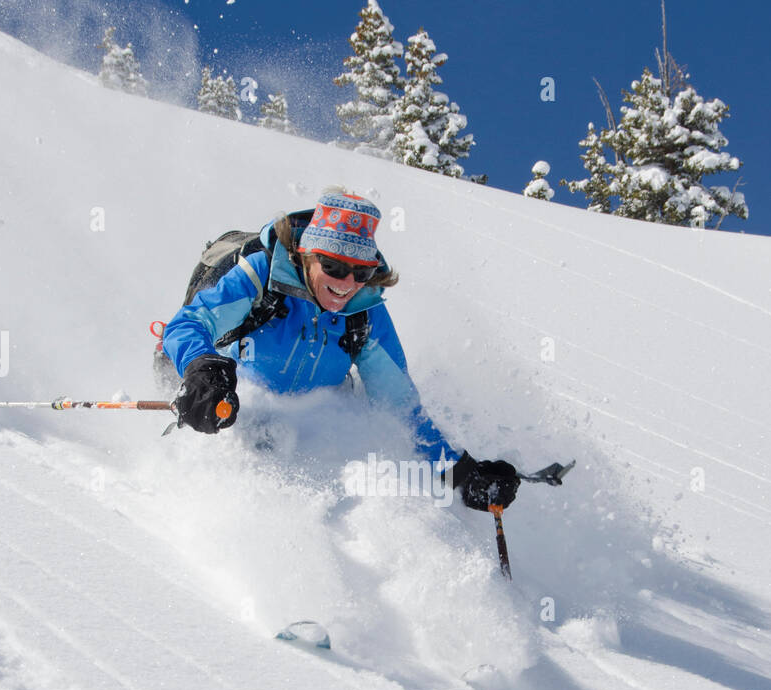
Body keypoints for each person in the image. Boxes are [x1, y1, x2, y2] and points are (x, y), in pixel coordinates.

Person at [162, 190, 520, 511]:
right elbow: (188, 324)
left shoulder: (365, 315)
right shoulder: (260, 276)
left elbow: (401, 410)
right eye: (332, 267)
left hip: (307, 444)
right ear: (305, 254)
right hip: (227, 411)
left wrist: (463, 475)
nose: (345, 284)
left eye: (360, 272)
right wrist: (202, 369)